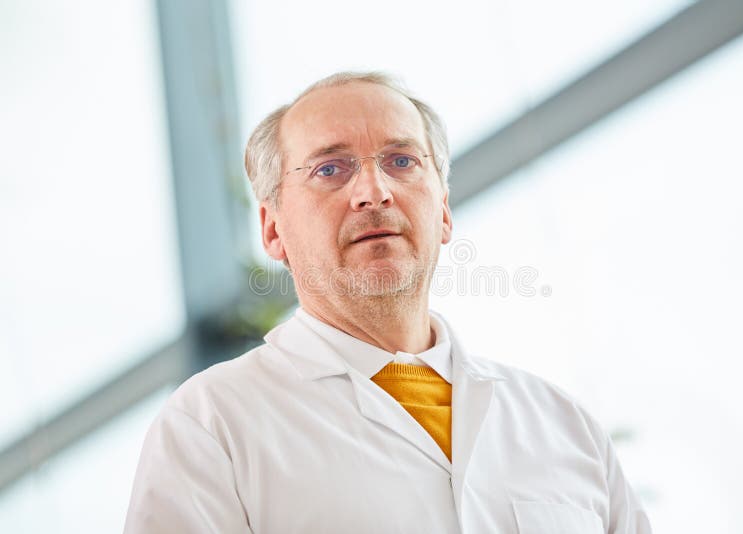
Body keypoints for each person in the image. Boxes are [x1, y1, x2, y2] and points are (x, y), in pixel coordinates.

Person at [124, 71, 652, 534]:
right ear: (272, 228)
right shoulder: (213, 426)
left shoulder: (563, 426)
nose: (373, 192)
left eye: (401, 161)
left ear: (443, 210)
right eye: (330, 169)